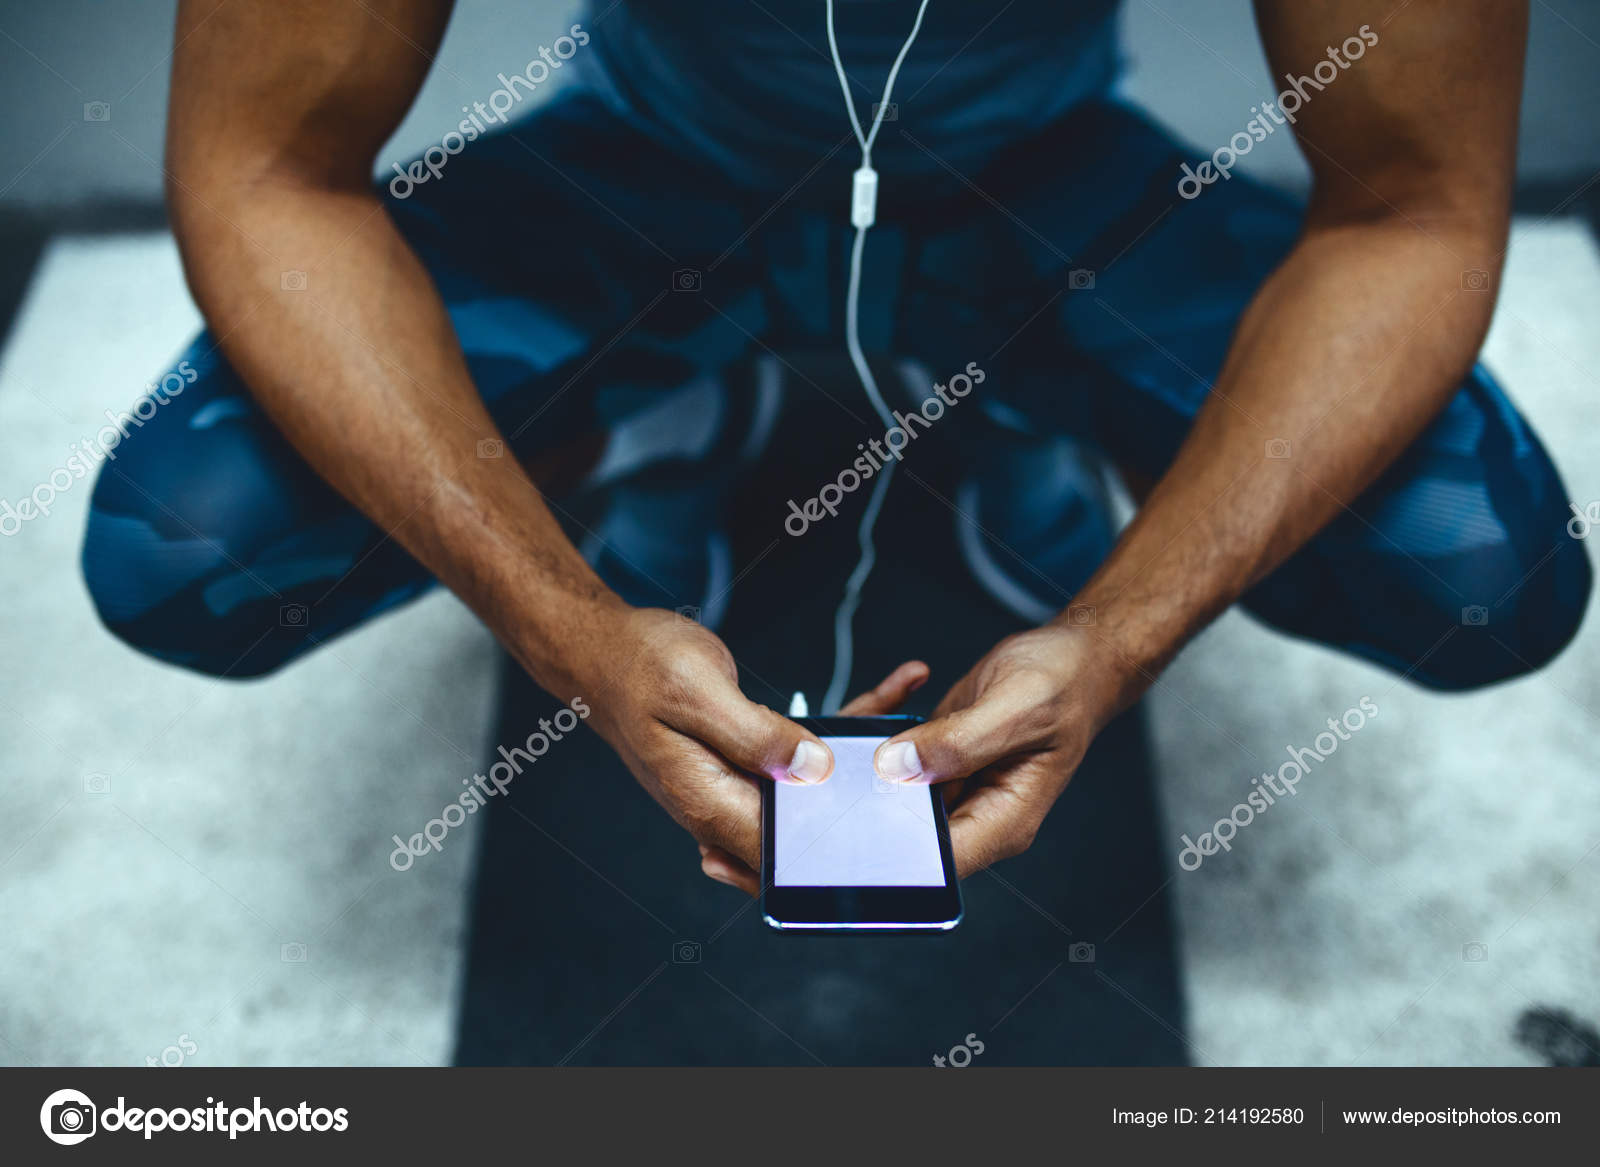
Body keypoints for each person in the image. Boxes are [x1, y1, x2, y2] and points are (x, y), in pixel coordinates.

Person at [82, 0, 1588, 894]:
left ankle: (1002, 393)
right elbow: (271, 177)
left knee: (1472, 573)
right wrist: (561, 623)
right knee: (197, 547)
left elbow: (1413, 211)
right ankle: (663, 406)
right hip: (648, 182)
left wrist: (1121, 634)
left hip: (1030, 189)